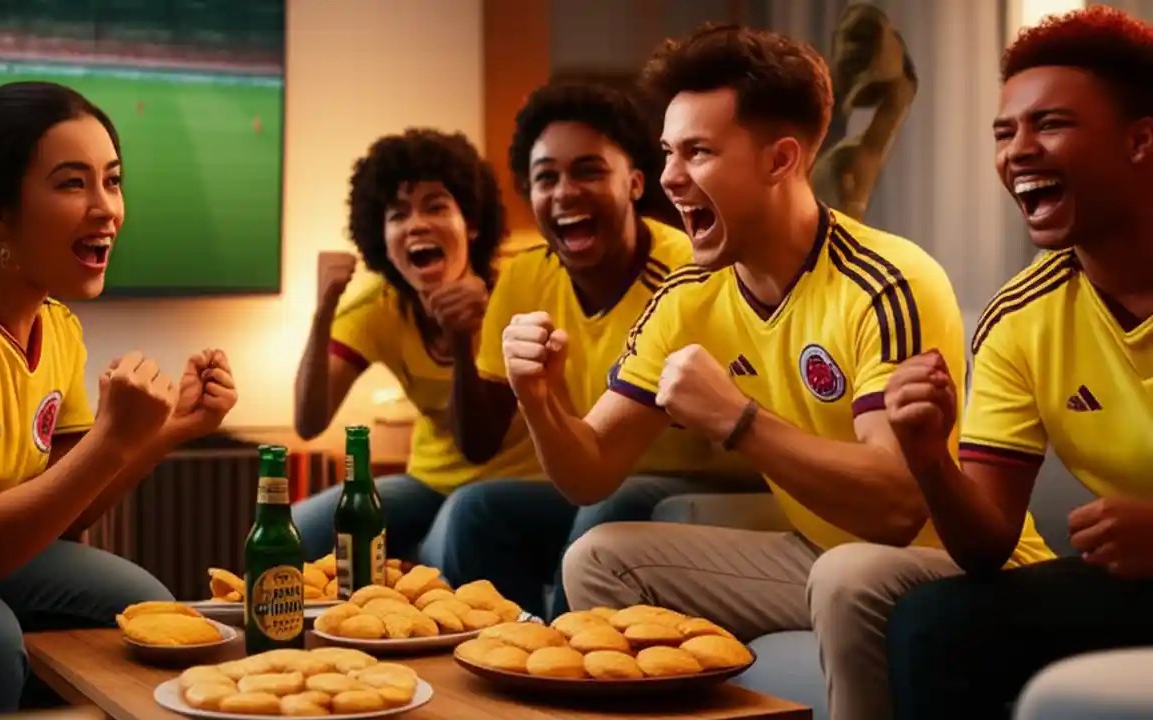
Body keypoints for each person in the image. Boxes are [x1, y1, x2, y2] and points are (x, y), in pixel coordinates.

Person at [501, 25, 1051, 719]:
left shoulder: (886, 281)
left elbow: (895, 507)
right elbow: (589, 473)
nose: (669, 178)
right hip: (820, 555)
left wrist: (738, 421)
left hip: (952, 566)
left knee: (848, 574)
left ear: (780, 159)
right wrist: (538, 397)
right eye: (669, 152)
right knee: (600, 558)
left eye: (697, 152)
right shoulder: (689, 295)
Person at [0, 82, 238, 718]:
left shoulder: (56, 323)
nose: (108, 209)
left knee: (143, 602)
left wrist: (171, 428)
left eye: (113, 180)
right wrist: (114, 439)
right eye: (73, 183)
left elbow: (63, 516)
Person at [883, 7, 1153, 718]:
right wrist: (928, 457)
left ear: (1141, 141)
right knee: (936, 624)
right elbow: (986, 546)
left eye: (1051, 124)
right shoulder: (1020, 317)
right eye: (1004, 132)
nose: (1018, 151)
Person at [442, 79, 756, 621]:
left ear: (634, 183)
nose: (564, 191)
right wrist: (463, 342)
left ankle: (569, 672)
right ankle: (504, 663)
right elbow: (477, 443)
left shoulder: (689, 271)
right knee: (476, 508)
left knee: (611, 505)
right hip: (597, 477)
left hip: (702, 485)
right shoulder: (525, 276)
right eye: (546, 178)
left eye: (588, 170)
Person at [290, 128, 540, 566]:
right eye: (397, 214)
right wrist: (323, 311)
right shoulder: (379, 305)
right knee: (297, 532)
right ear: (381, 241)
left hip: (524, 484)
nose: (417, 224)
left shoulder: (518, 290)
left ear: (473, 223)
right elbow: (310, 422)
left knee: (455, 532)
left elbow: (476, 443)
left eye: (436, 206)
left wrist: (462, 340)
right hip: (428, 482)